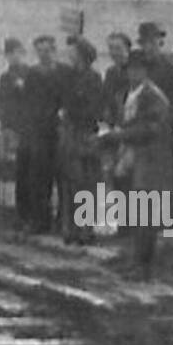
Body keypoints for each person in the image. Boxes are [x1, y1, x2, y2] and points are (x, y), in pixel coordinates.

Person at [101, 50, 173, 278]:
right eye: (130, 69)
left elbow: (151, 129)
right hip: (132, 156)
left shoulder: (153, 96)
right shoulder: (129, 94)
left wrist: (120, 135)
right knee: (133, 210)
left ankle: (144, 266)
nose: (134, 73)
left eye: (138, 69)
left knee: (146, 213)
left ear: (146, 71)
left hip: (151, 157)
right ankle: (135, 260)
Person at [59, 36, 106, 244]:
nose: (70, 56)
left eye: (74, 52)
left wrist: (71, 112)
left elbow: (94, 109)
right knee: (70, 181)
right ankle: (72, 228)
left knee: (86, 182)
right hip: (71, 133)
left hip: (85, 134)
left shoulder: (93, 79)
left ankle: (85, 228)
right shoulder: (70, 77)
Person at [25, 34, 67, 233]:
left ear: (54, 51)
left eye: (47, 51)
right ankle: (41, 221)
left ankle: (62, 220)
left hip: (59, 130)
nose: (44, 55)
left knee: (63, 176)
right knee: (40, 178)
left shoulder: (63, 72)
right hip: (39, 131)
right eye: (40, 51)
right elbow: (27, 102)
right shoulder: (32, 74)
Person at [0, 37, 35, 231]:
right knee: (13, 175)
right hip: (11, 130)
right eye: (10, 53)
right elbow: (1, 103)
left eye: (17, 52)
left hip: (28, 131)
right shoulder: (5, 77)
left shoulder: (31, 74)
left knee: (27, 175)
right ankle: (13, 215)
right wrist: (5, 125)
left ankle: (26, 215)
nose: (13, 57)